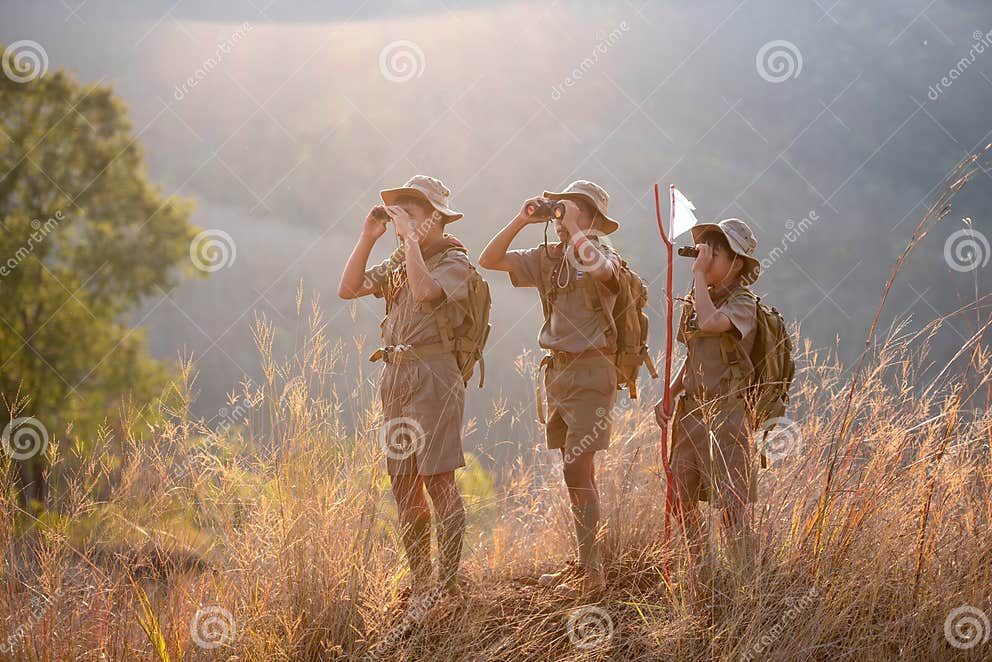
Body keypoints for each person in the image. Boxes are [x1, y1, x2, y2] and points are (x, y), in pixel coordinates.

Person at [479, 180, 622, 598]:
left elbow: (606, 274)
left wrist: (577, 229)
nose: (562, 215)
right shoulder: (549, 258)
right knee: (574, 469)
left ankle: (591, 573)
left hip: (594, 370)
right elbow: (491, 259)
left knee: (576, 467)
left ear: (592, 217)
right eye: (561, 208)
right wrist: (524, 220)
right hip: (559, 372)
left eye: (574, 209)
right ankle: (584, 565)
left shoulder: (601, 254)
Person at [337, 175, 470, 607]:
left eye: (411, 215)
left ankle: (448, 585)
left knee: (438, 479)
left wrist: (411, 243)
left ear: (435, 219)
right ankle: (423, 581)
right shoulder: (397, 259)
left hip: (433, 373)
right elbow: (349, 289)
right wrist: (368, 237)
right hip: (396, 376)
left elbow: (425, 292)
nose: (402, 223)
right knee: (404, 482)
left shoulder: (454, 261)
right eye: (401, 215)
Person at [653, 218, 762, 582]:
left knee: (730, 507)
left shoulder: (743, 303)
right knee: (681, 500)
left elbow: (712, 322)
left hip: (727, 414)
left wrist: (698, 275)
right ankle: (704, 575)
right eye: (704, 251)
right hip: (691, 413)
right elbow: (694, 353)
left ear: (737, 263)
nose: (704, 259)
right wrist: (671, 393)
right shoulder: (699, 297)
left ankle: (748, 580)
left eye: (714, 253)